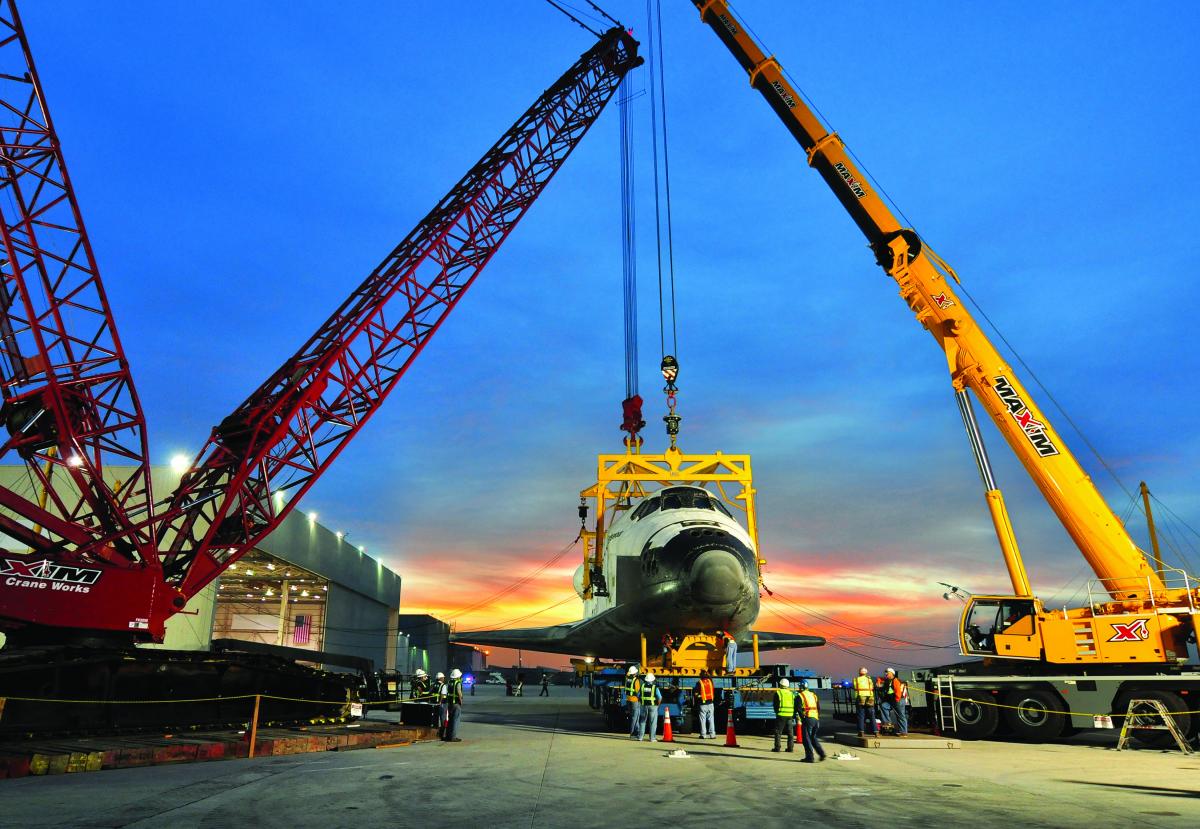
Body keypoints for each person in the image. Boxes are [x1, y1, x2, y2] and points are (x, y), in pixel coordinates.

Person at [797, 680, 826, 762]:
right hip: (816, 719)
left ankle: (810, 757)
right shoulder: (814, 695)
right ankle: (822, 754)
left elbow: (798, 709)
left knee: (806, 739)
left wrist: (803, 718)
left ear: (801, 687)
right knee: (813, 738)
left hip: (808, 719)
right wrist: (816, 717)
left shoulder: (800, 695)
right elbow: (818, 708)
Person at [879, 667, 908, 736]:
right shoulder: (888, 681)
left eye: (887, 673)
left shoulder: (895, 681)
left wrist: (897, 701)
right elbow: (881, 680)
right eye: (885, 673)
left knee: (900, 716)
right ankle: (887, 722)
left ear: (892, 674)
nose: (886, 674)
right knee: (883, 705)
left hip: (898, 700)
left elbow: (898, 691)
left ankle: (903, 732)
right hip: (892, 701)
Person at [635, 672, 663, 742]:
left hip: (644, 706)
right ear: (652, 680)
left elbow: (638, 696)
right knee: (652, 722)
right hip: (653, 706)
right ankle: (652, 738)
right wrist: (658, 705)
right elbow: (659, 697)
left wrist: (641, 702)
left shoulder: (642, 686)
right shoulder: (654, 687)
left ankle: (640, 737)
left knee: (642, 721)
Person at [771, 677, 796, 753]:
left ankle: (777, 748)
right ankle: (790, 748)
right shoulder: (791, 693)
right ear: (788, 685)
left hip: (781, 715)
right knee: (790, 733)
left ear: (780, 685)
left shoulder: (778, 693)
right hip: (790, 715)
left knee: (778, 732)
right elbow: (794, 704)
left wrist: (777, 712)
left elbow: (775, 705)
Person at [853, 667, 879, 737]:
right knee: (872, 715)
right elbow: (874, 686)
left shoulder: (856, 679)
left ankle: (861, 732)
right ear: (866, 672)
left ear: (859, 673)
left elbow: (855, 687)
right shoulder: (870, 679)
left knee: (861, 715)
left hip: (860, 697)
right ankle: (876, 732)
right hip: (870, 697)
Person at [693, 669, 716, 739]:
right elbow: (710, 678)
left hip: (703, 704)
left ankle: (703, 734)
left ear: (701, 676)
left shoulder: (699, 683)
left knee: (703, 719)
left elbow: (696, 694)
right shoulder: (710, 681)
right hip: (711, 703)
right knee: (711, 719)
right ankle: (712, 734)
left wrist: (697, 696)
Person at [443, 668, 465, 742]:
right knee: (455, 721)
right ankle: (453, 737)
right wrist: (461, 701)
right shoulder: (457, 683)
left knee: (450, 720)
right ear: (458, 676)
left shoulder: (449, 682)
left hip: (450, 704)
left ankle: (448, 736)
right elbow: (459, 693)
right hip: (456, 704)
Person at [625, 666, 642, 739]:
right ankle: (632, 734)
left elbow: (627, 674)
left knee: (635, 717)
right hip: (635, 700)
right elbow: (638, 691)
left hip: (628, 699)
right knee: (634, 718)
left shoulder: (627, 678)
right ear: (635, 673)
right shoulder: (636, 680)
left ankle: (637, 732)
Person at [434, 671, 448, 736]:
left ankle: (434, 731)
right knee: (443, 718)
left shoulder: (433, 684)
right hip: (442, 704)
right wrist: (440, 701)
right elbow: (443, 694)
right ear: (440, 678)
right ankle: (443, 733)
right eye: (443, 677)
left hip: (434, 704)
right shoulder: (443, 685)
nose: (444, 679)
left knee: (435, 718)